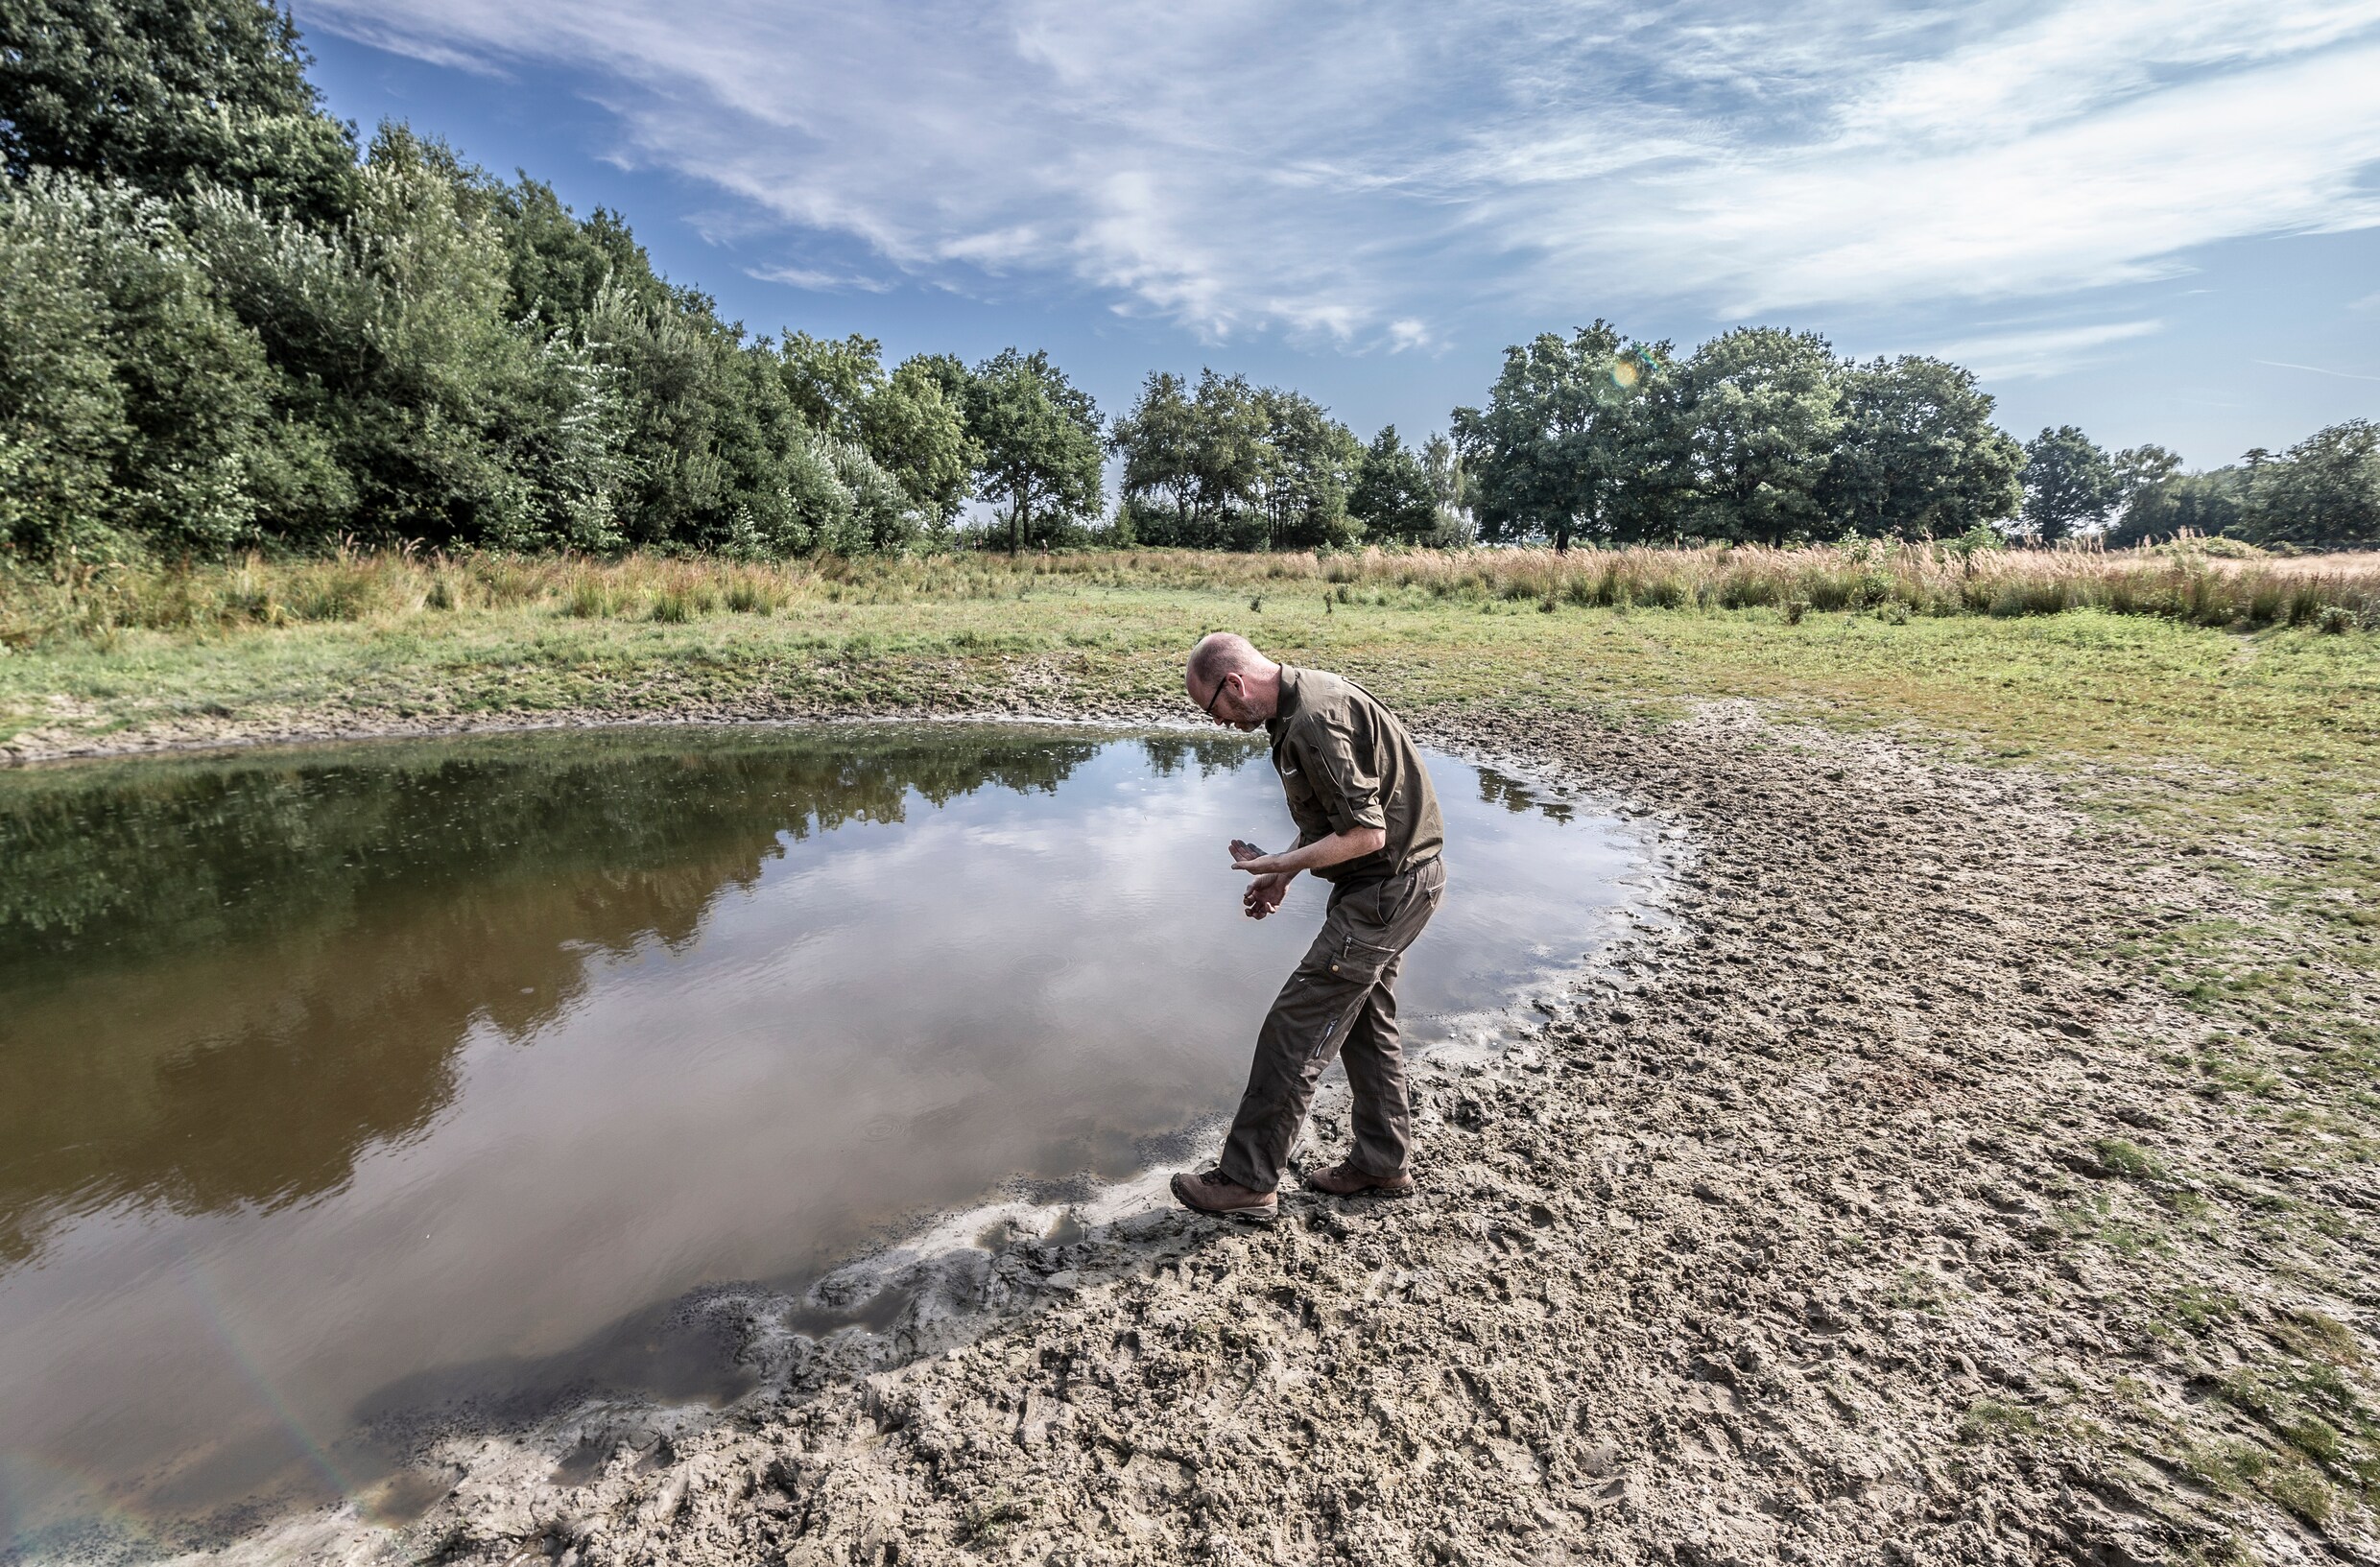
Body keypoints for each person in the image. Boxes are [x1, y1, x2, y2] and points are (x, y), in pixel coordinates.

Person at [1172, 632, 1446, 1221]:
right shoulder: (1302, 704)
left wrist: (1278, 863)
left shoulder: (1313, 722)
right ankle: (1382, 1160)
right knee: (1367, 1023)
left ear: (1236, 684)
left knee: (1295, 1025)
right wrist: (1284, 875)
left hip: (1386, 889)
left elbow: (1368, 834)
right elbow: (1337, 822)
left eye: (1212, 708)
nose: (1216, 723)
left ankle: (1248, 1179)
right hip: (1393, 884)